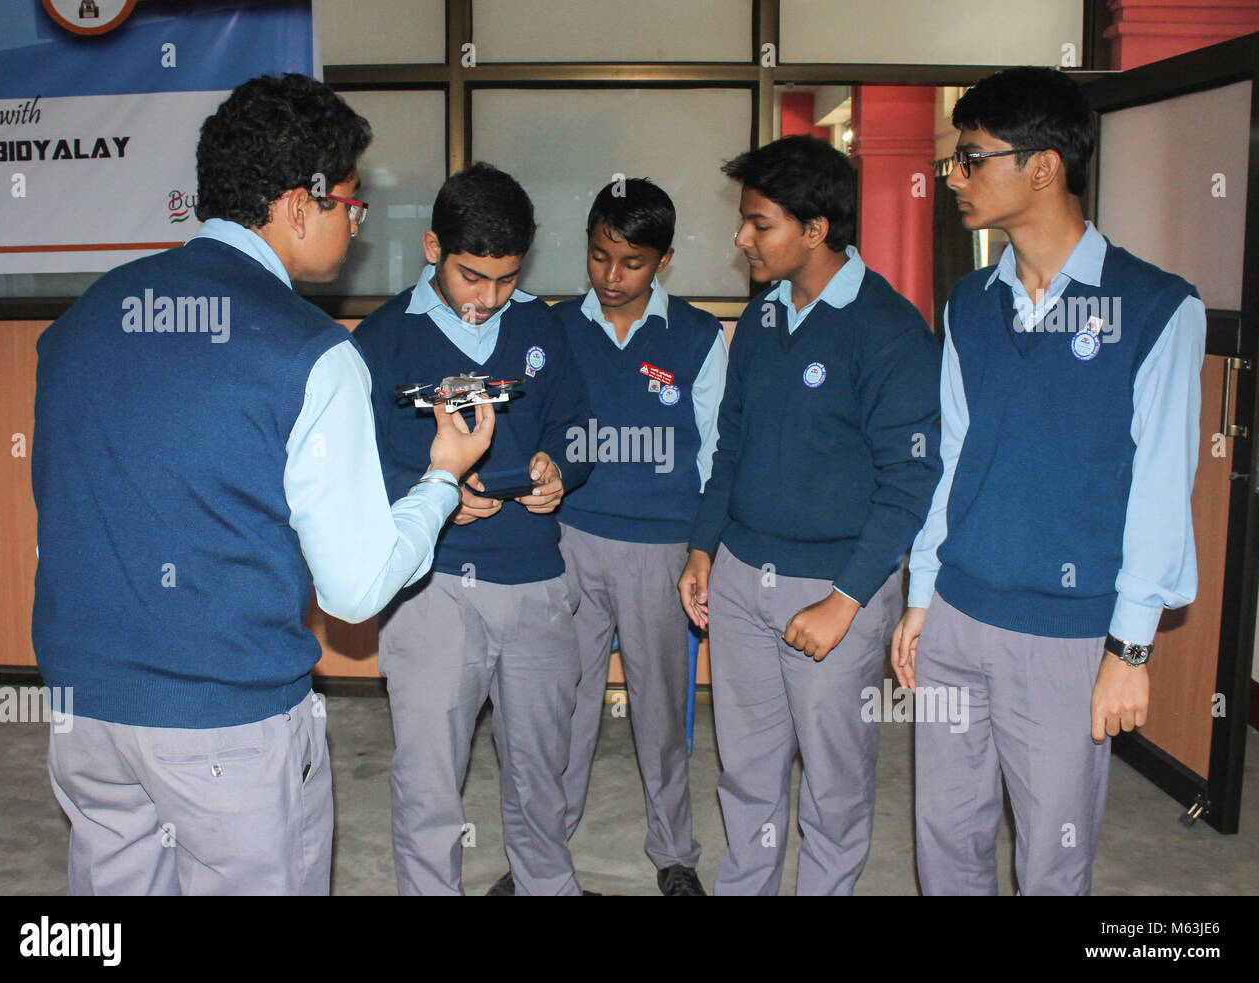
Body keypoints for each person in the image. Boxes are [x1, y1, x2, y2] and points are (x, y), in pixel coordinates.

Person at [33, 73, 493, 896]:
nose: (355, 227)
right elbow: (354, 590)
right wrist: (441, 480)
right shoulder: (309, 353)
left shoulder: (83, 320)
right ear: (296, 205)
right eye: (350, 206)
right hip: (226, 729)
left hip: (85, 713)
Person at [892, 66, 1205, 895]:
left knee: (1053, 860)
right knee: (944, 843)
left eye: (972, 159)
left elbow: (1161, 488)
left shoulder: (1155, 307)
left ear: (1043, 165)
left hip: (1068, 637)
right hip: (959, 616)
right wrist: (922, 595)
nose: (954, 178)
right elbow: (953, 457)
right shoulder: (967, 303)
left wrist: (1128, 649)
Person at [678, 135, 943, 895]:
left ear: (817, 229)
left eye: (759, 224)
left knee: (835, 785)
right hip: (737, 582)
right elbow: (731, 444)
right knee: (748, 772)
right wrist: (703, 551)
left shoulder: (889, 331)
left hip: (834, 593)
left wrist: (848, 599)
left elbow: (909, 481)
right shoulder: (762, 318)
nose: (741, 238)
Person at [354, 162, 594, 896]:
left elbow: (580, 428)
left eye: (505, 279)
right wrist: (434, 494)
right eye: (470, 277)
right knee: (429, 781)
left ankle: (545, 887)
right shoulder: (381, 340)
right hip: (432, 593)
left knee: (539, 774)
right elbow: (354, 468)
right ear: (433, 247)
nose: (488, 300)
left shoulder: (541, 325)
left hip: (536, 585)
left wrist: (561, 470)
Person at [543, 177, 728, 896]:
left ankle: (675, 853)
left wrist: (702, 548)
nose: (612, 277)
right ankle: (542, 850)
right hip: (569, 541)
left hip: (662, 549)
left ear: (665, 261)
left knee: (660, 712)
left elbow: (715, 450)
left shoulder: (697, 336)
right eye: (598, 258)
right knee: (563, 707)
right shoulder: (555, 328)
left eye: (632, 263)